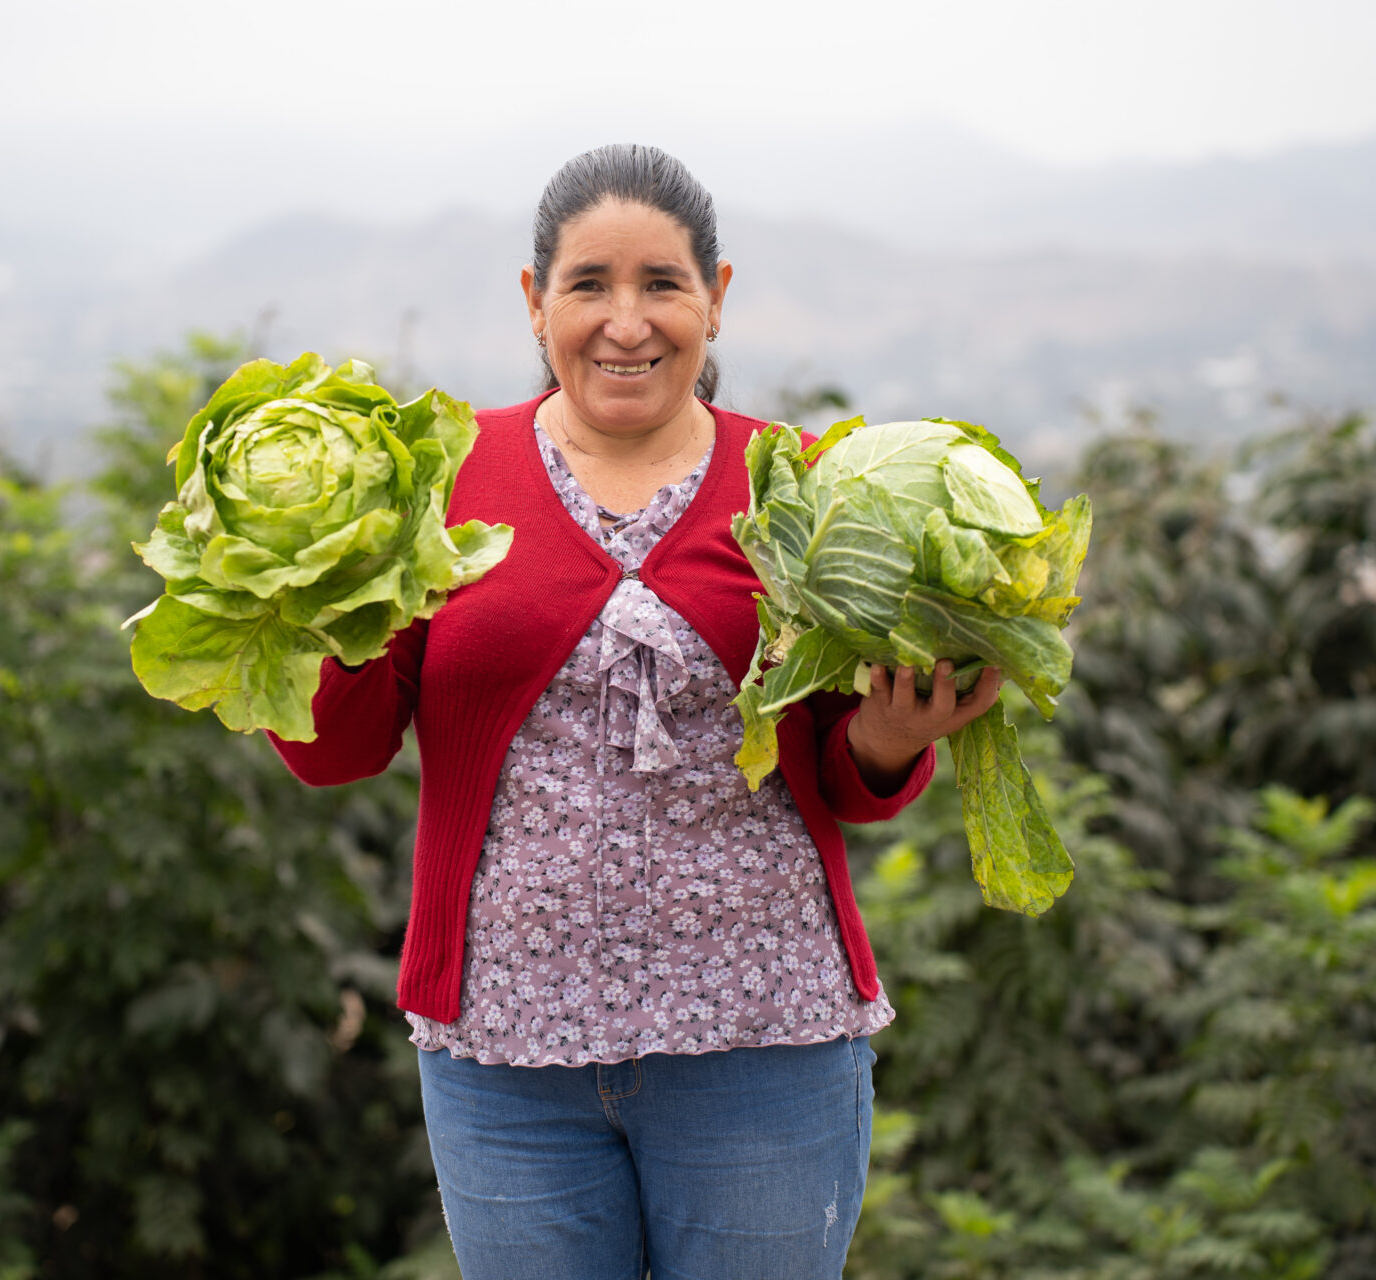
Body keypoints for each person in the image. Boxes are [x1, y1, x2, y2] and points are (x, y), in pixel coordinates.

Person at [270, 143, 1002, 1280]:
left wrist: (893, 739)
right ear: (534, 301)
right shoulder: (441, 477)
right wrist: (311, 605)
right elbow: (338, 753)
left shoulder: (798, 487)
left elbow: (842, 771)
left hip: (765, 1044)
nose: (627, 321)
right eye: (589, 285)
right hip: (506, 1059)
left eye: (663, 283)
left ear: (716, 295)